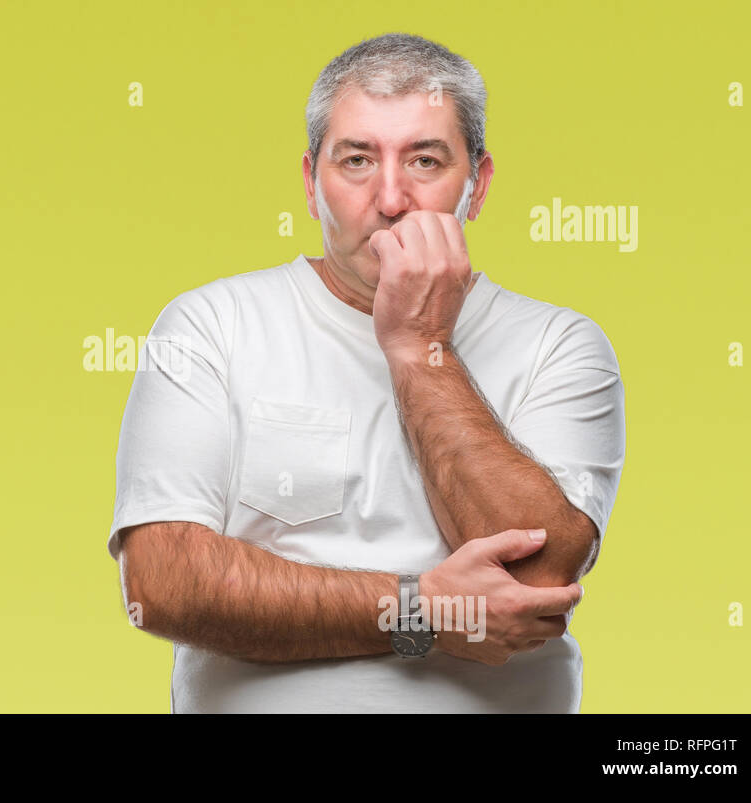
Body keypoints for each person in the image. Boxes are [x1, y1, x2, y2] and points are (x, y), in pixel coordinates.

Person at [107, 32, 626, 713]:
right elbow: (163, 583)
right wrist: (419, 612)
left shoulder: (562, 345)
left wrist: (419, 345)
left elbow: (539, 577)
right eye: (356, 160)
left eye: (425, 160)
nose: (390, 198)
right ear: (310, 181)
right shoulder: (210, 325)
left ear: (478, 184)